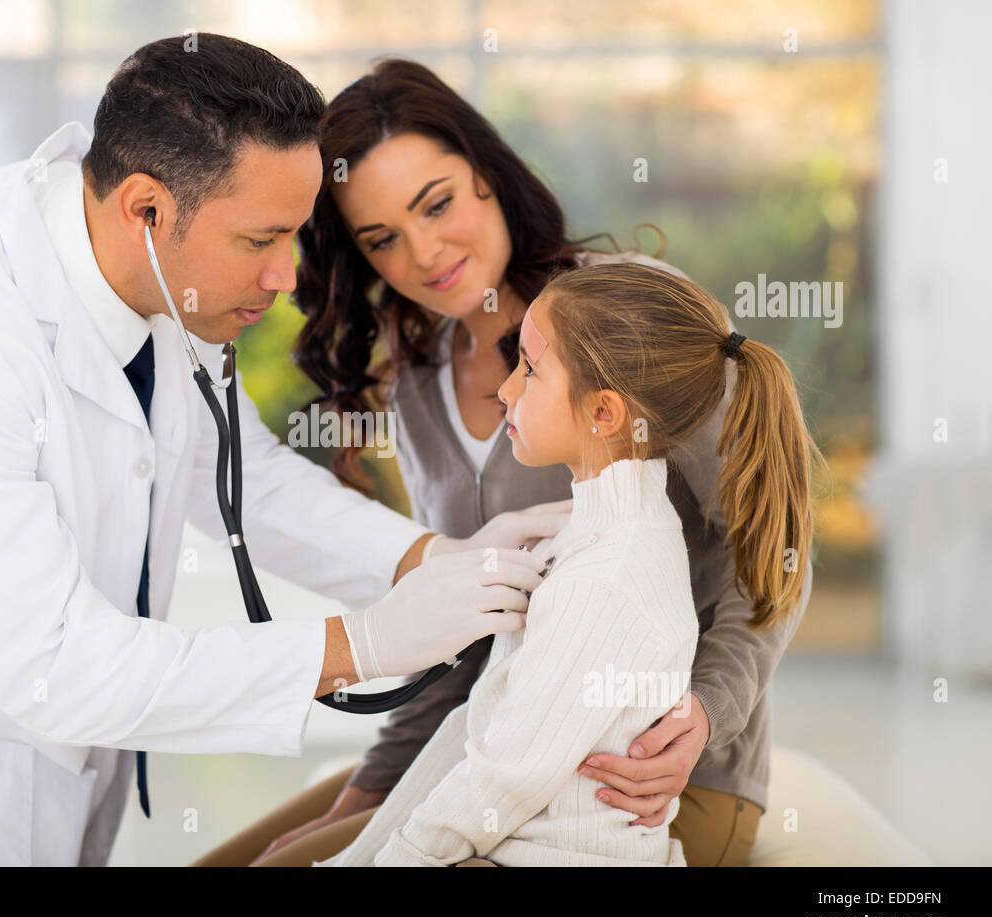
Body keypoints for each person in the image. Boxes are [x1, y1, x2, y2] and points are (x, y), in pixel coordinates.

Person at [0, 34, 561, 866]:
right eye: (260, 240)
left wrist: (435, 559)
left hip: (44, 769)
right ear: (146, 208)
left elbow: (243, 479)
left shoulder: (162, 279)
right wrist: (362, 646)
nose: (285, 276)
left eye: (293, 236)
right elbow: (55, 665)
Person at [193, 59, 812, 868]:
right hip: (500, 742)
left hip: (641, 783)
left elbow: (768, 547)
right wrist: (369, 789)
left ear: (488, 174)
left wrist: (705, 712)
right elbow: (466, 632)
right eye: (383, 239)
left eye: (437, 203)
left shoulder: (622, 321)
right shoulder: (416, 379)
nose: (425, 253)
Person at [316, 263, 823, 866]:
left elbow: (507, 774)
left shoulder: (605, 578)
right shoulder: (588, 537)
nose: (505, 389)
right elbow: (484, 730)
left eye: (529, 369)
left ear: (605, 414)